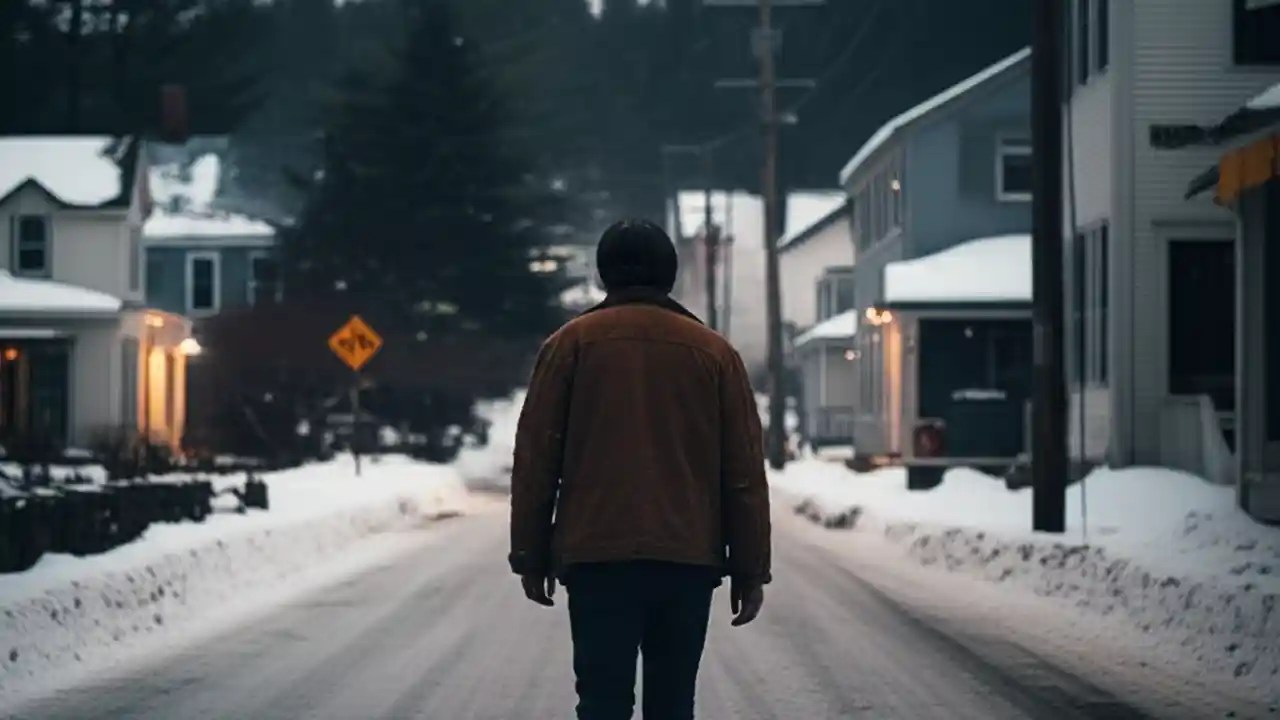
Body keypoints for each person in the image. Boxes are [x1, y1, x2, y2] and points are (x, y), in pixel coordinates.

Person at [509, 219, 772, 720]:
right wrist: (750, 568)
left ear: (604, 272)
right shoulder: (714, 353)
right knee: (673, 704)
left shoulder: (569, 345)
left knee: (602, 701)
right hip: (687, 560)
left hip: (597, 557)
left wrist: (531, 553)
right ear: (670, 274)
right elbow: (742, 472)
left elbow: (536, 460)